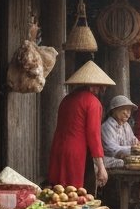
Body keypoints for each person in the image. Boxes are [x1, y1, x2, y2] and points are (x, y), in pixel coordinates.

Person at [48, 60, 113, 188]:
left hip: (58, 148)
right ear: (94, 86)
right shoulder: (93, 103)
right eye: (101, 87)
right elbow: (93, 135)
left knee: (59, 192)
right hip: (76, 151)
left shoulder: (66, 99)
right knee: (75, 193)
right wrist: (101, 166)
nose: (101, 90)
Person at [100, 95, 139, 169]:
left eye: (129, 110)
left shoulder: (126, 125)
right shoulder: (107, 127)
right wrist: (133, 149)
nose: (127, 113)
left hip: (124, 158)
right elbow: (112, 149)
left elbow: (133, 140)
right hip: (110, 160)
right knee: (123, 162)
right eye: (124, 109)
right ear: (114, 110)